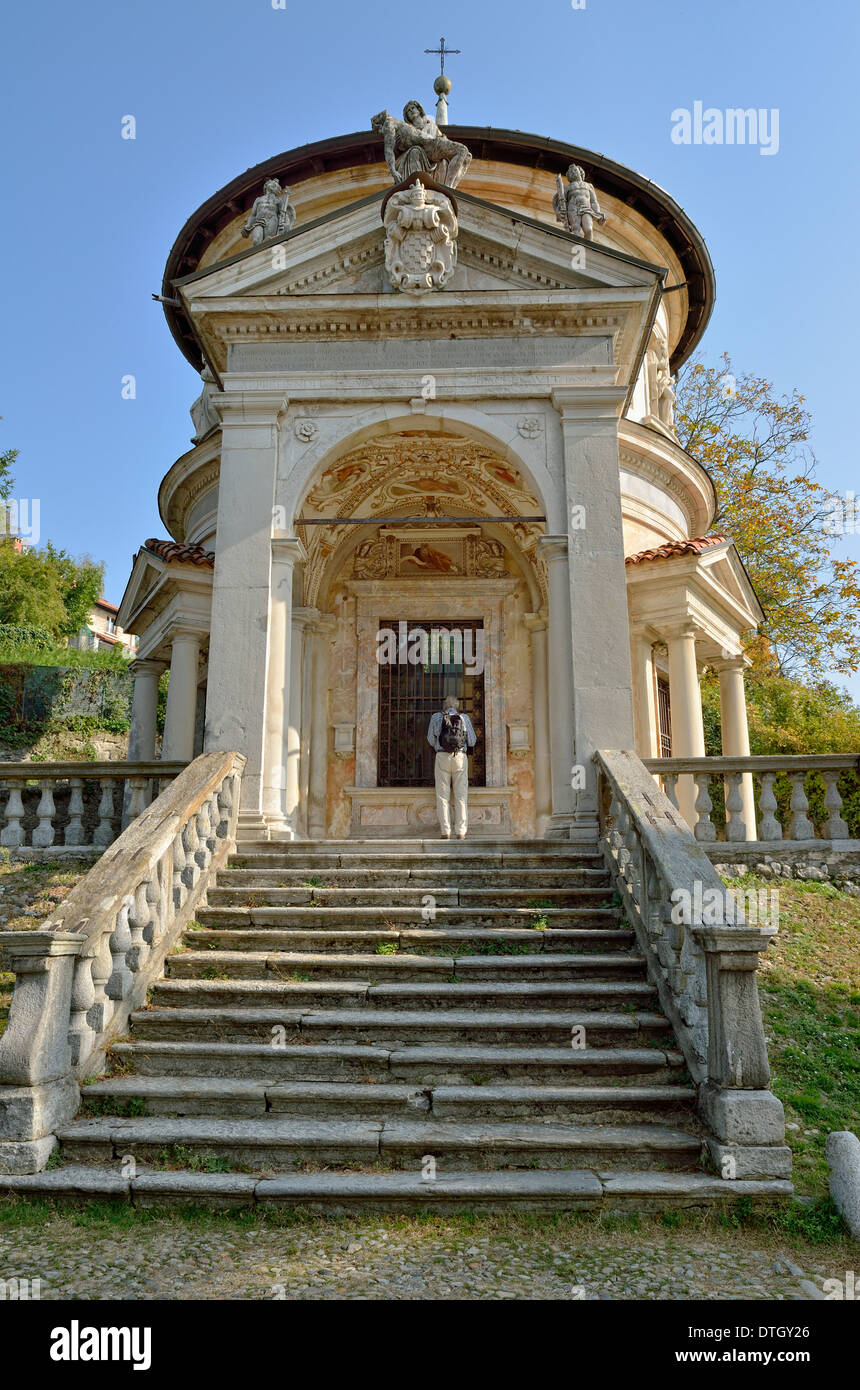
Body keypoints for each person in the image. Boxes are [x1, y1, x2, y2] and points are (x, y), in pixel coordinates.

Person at [426, 693, 477, 840]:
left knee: (442, 796)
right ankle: (461, 832)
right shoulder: (464, 718)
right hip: (460, 757)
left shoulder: (436, 717)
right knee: (461, 796)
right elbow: (472, 741)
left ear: (444, 706)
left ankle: (445, 832)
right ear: (457, 707)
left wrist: (439, 745)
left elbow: (430, 739)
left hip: (442, 756)